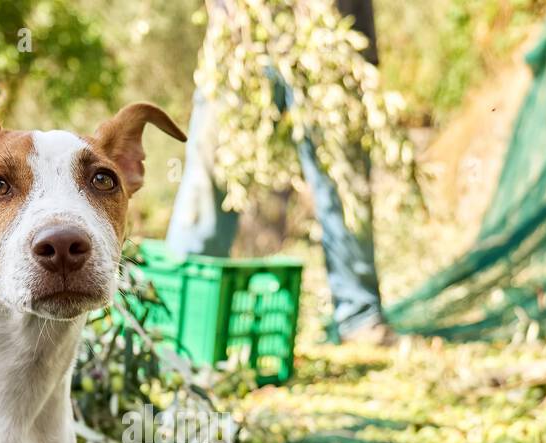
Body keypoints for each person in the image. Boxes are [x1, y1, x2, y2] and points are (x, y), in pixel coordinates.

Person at [165, 0, 387, 343]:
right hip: (240, 38)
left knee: (343, 182)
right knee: (211, 174)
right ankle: (179, 314)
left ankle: (359, 317)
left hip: (330, 38)